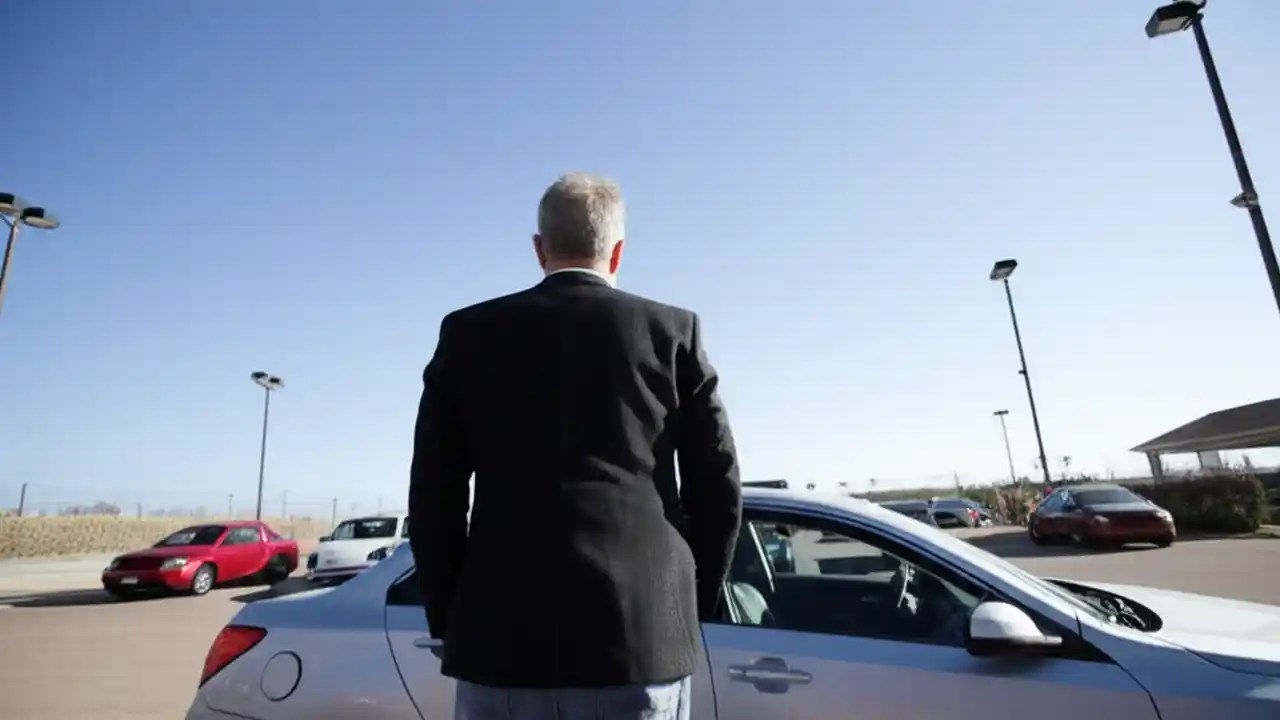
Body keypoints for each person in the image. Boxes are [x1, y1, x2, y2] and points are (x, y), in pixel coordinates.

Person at [408, 172, 743, 720]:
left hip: (500, 645)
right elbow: (719, 490)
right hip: (643, 645)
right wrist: (682, 607)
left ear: (539, 249)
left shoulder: (467, 335)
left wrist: (450, 618)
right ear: (617, 253)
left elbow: (433, 497)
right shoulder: (675, 333)